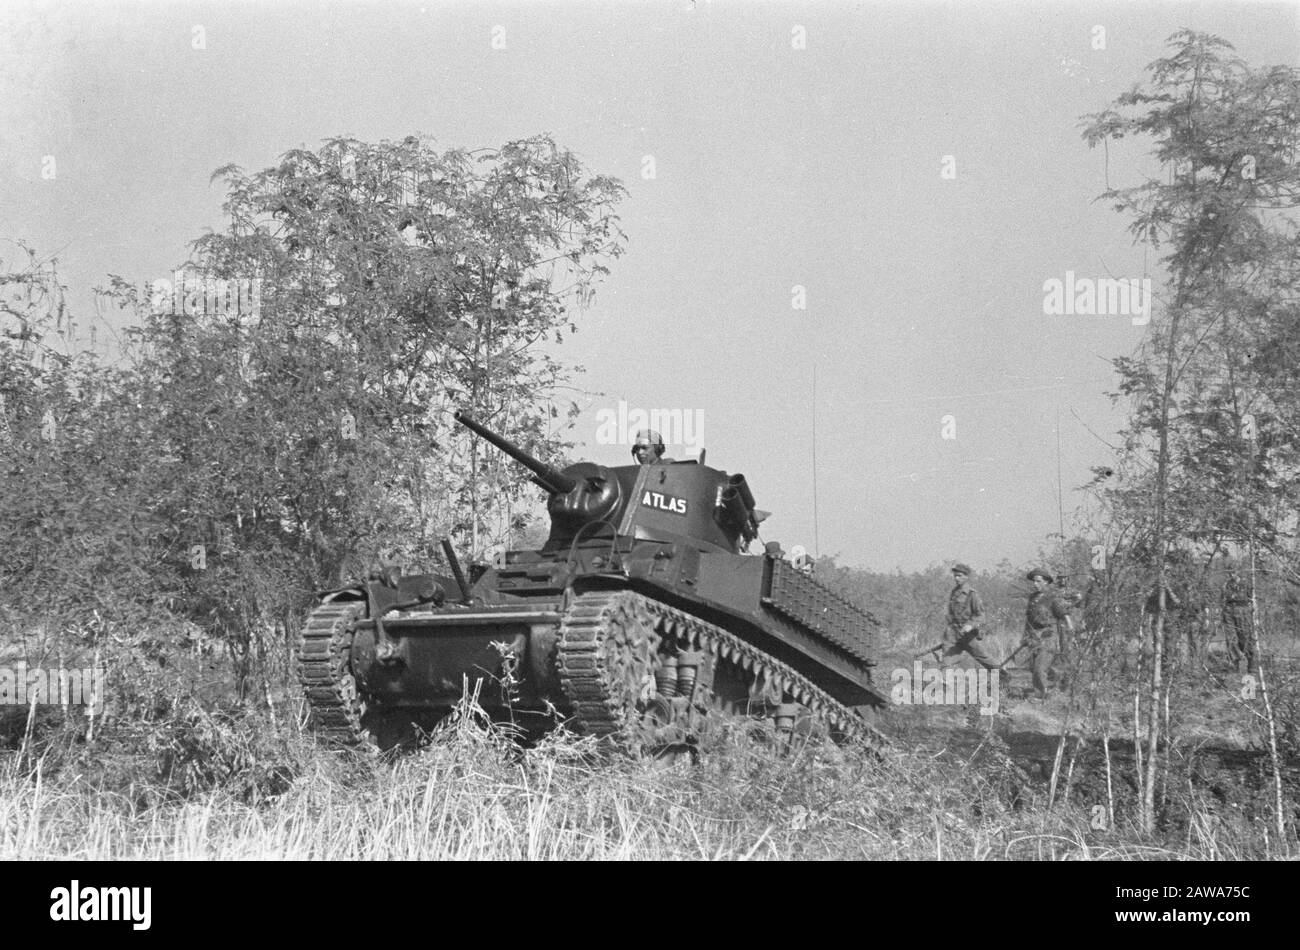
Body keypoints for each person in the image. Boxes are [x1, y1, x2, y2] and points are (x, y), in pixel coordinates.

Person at [937, 563, 1000, 672]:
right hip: (953, 633)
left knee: (983, 657)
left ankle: (1003, 676)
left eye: (960, 575)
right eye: (955, 576)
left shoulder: (972, 594)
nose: (956, 578)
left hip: (968, 635)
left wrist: (970, 625)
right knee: (947, 661)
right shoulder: (954, 592)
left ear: (966, 577)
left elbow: (981, 615)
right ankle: (945, 685)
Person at [1022, 568, 1074, 700]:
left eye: (1038, 581)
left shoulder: (1053, 597)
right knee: (1035, 668)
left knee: (1040, 668)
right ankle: (1053, 687)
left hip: (1048, 636)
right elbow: (1029, 619)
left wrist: (1071, 632)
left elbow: (1065, 615)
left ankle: (1041, 696)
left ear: (1046, 582)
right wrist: (1025, 637)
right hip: (1033, 637)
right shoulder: (1032, 598)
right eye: (1034, 581)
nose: (1035, 584)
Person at [1222, 570, 1258, 674]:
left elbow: (1253, 600)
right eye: (1228, 572)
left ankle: (1251, 666)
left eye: (1232, 572)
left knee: (1245, 637)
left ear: (1237, 572)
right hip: (1229, 612)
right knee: (1231, 638)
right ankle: (1234, 665)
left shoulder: (1246, 584)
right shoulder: (1226, 585)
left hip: (1243, 612)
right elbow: (1223, 599)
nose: (1230, 574)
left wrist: (1254, 614)